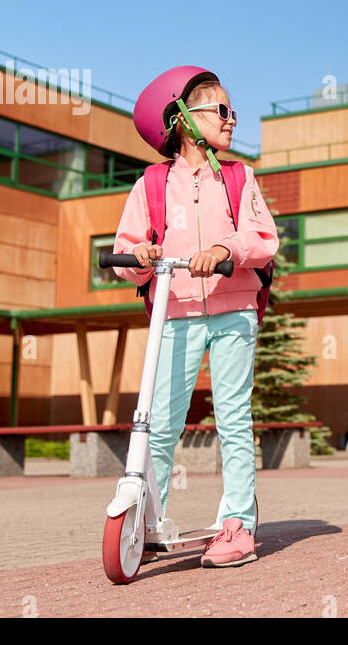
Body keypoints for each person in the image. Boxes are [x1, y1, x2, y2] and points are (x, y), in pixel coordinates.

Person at [112, 66, 279, 568]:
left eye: (233, 112)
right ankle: (145, 516)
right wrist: (140, 256)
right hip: (176, 310)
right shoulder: (152, 184)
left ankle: (238, 525)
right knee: (160, 423)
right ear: (183, 120)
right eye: (221, 111)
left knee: (232, 418)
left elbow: (263, 239)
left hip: (233, 312)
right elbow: (124, 248)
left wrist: (226, 247)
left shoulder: (238, 177)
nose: (232, 120)